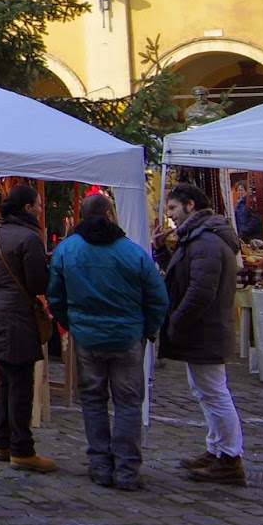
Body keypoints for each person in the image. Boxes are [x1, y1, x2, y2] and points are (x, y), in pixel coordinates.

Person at [47, 193, 168, 490]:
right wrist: (146, 331)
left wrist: (71, 324)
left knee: (93, 399)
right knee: (128, 402)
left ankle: (100, 464)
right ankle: (126, 469)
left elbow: (56, 297)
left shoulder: (67, 251)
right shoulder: (133, 253)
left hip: (88, 337)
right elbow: (158, 299)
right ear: (110, 215)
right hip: (127, 337)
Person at [161, 181, 246, 485]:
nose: (170, 215)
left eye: (173, 208)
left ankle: (230, 457)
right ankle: (218, 449)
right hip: (204, 330)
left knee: (214, 392)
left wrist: (176, 321)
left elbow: (200, 290)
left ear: (190, 206)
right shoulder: (199, 238)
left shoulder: (207, 241)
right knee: (206, 391)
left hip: (206, 330)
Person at [0, 183, 56, 473]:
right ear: (27, 208)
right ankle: (22, 448)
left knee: (6, 380)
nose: (40, 208)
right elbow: (37, 283)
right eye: (37, 204)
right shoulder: (29, 237)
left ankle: (3, 442)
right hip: (16, 314)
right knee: (20, 382)